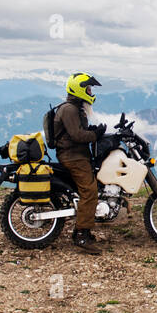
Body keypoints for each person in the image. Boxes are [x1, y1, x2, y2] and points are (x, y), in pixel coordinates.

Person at [55, 73, 107, 255]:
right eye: (88, 88)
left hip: (76, 154)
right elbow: (77, 135)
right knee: (90, 191)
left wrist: (93, 131)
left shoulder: (75, 108)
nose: (90, 91)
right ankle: (81, 235)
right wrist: (95, 135)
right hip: (73, 157)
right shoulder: (69, 109)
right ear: (79, 89)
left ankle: (84, 228)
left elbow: (77, 132)